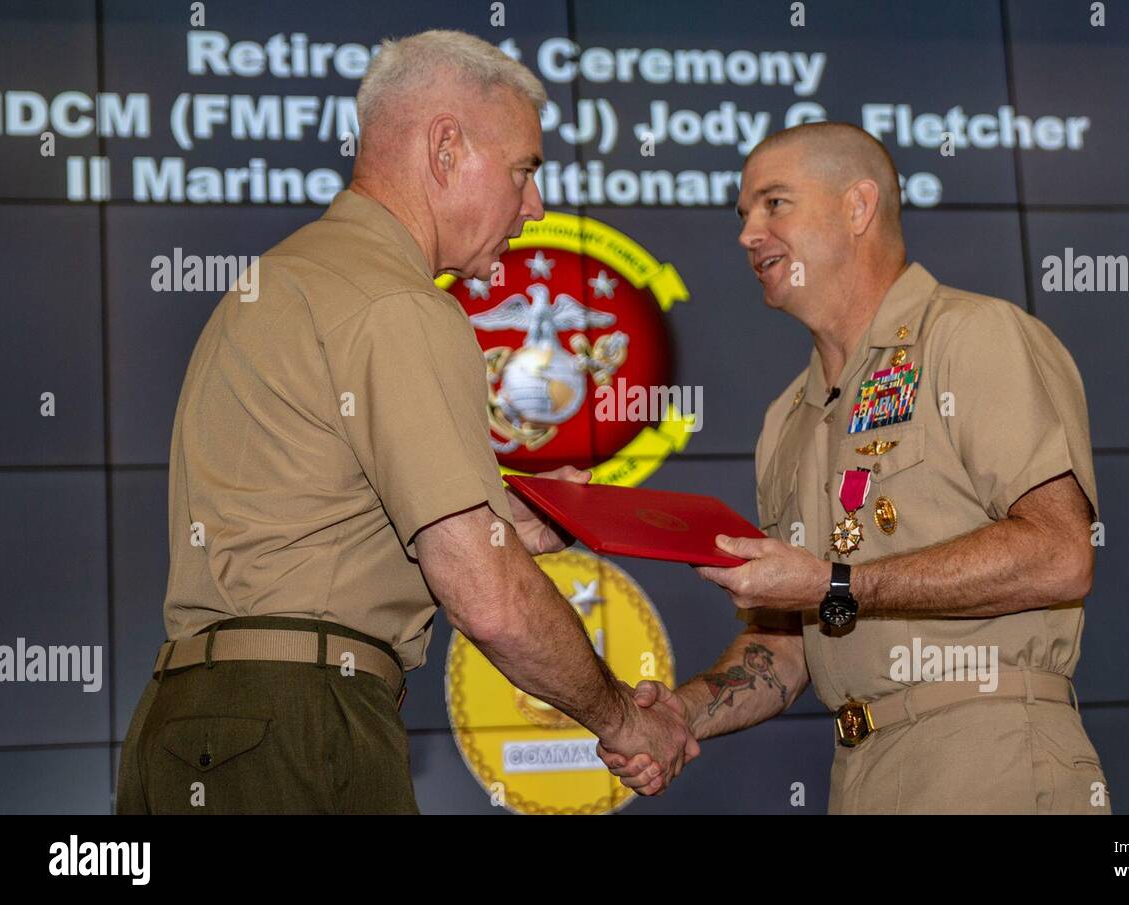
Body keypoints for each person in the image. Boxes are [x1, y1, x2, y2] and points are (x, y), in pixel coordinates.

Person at [116, 29, 695, 815]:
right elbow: (484, 596)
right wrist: (623, 717)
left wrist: (513, 521)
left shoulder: (292, 277)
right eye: (525, 169)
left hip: (194, 727)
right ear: (447, 146)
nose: (537, 206)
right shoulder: (398, 305)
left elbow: (323, 518)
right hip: (296, 729)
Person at [601, 122, 1110, 814]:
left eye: (774, 204)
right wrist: (680, 716)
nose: (749, 233)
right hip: (860, 771)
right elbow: (788, 647)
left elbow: (1059, 553)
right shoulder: (788, 418)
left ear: (858, 206)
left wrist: (837, 581)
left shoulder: (971, 335)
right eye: (743, 212)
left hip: (993, 753)